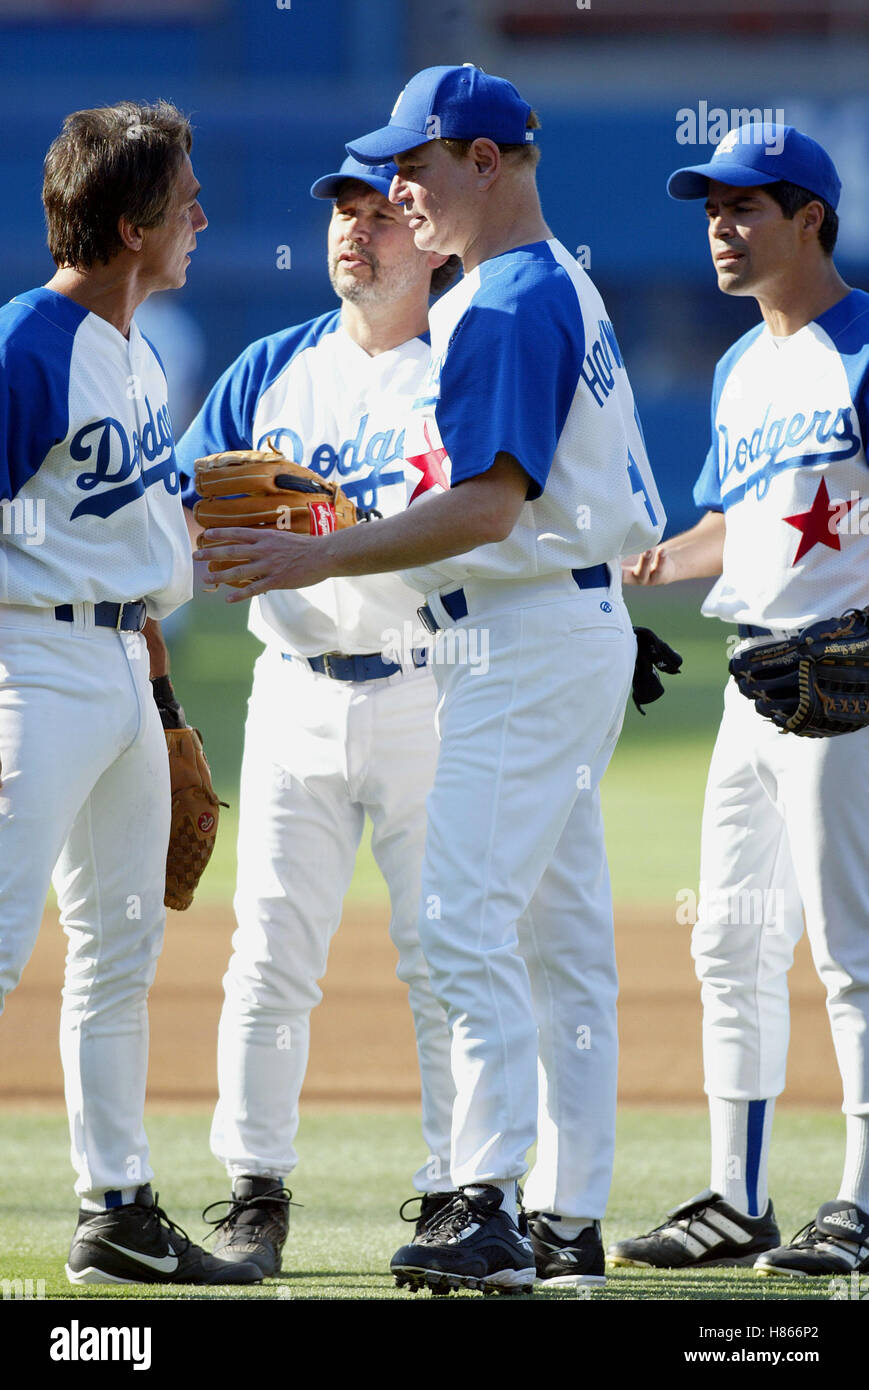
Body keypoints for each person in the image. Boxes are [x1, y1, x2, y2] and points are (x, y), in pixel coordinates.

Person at [194, 65, 665, 1294]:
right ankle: (562, 1218)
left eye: (415, 163)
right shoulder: (550, 282)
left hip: (512, 634)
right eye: (379, 173)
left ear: (488, 161)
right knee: (558, 939)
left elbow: (491, 504)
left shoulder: (504, 301)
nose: (397, 189)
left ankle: (483, 1207)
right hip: (540, 625)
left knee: (461, 922)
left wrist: (319, 549)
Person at [175, 154, 460, 1277]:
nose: (355, 230)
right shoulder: (269, 369)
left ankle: (456, 1191)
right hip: (292, 691)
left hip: (433, 683)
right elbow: (180, 504)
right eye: (342, 211)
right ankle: (253, 1192)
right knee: (267, 956)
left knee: (446, 957)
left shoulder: (464, 364)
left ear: (431, 236)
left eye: (382, 212)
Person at [0, 101, 260, 1285]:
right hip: (30, 665)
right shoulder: (29, 344)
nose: (200, 217)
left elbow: (130, 557)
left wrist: (155, 694)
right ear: (125, 223)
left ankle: (117, 1211)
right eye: (182, 202)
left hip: (116, 666)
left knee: (119, 952)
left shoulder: (136, 353)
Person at [609, 124, 869, 1279]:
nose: (717, 227)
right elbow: (734, 525)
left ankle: (860, 1197)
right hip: (750, 681)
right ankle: (734, 1195)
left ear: (808, 217)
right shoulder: (736, 368)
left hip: (847, 678)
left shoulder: (864, 343)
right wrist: (647, 565)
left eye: (742, 208)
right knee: (729, 940)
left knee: (851, 952)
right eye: (708, 208)